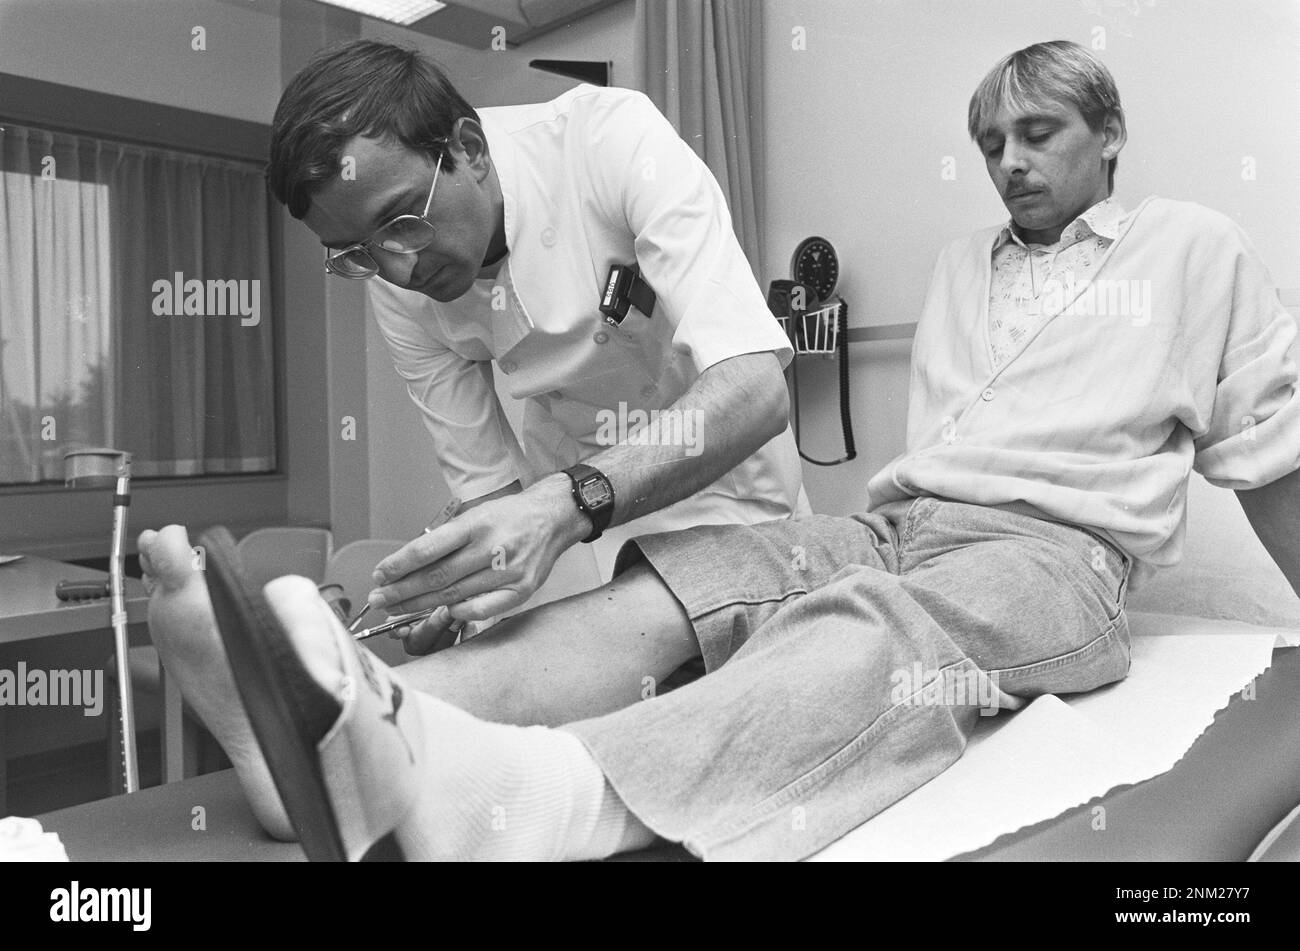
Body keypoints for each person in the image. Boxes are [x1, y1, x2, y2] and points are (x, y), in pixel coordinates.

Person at [145, 40, 1300, 861]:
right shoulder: (962, 266)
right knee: (686, 588)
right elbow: (496, 489)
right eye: (989, 140)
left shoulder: (1192, 245)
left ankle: (557, 801)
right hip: (896, 523)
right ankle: (339, 717)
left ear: (1111, 133)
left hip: (1058, 555)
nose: (1006, 160)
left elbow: (1274, 449)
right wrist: (479, 569)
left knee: (879, 630)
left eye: (1037, 133)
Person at [266, 41, 808, 652]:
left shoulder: (608, 140)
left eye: (401, 222)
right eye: (359, 252)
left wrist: (569, 500)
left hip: (727, 504)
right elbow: (491, 488)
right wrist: (459, 577)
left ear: (467, 149)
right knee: (523, 677)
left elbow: (755, 388)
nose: (400, 268)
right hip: (574, 531)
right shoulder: (394, 286)